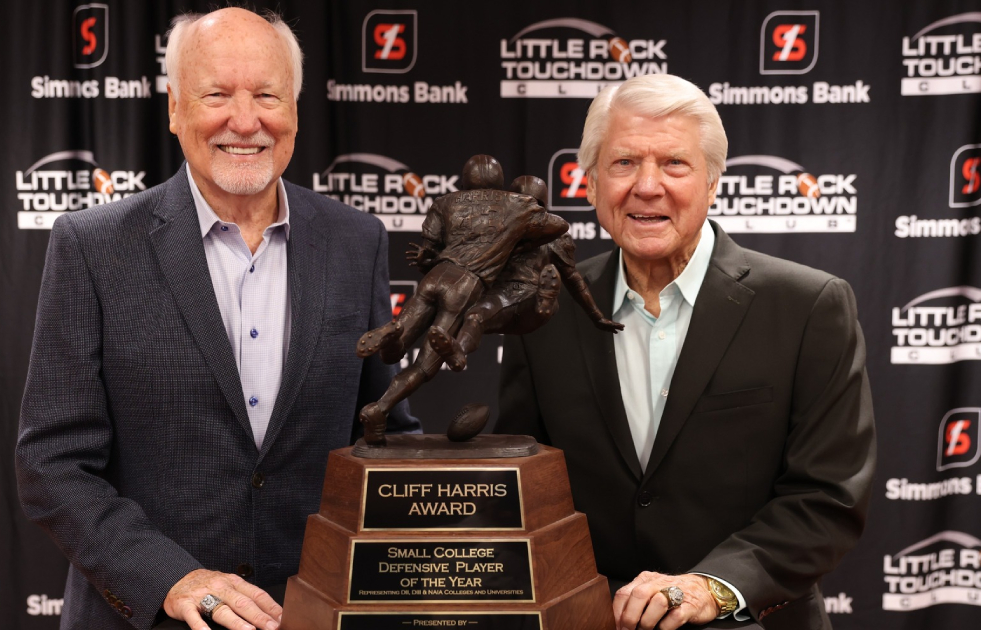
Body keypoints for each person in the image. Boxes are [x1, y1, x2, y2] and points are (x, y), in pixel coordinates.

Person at [15, 9, 418, 630]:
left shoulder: (356, 241)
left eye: (266, 95)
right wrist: (171, 578)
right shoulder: (92, 246)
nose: (246, 120)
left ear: (296, 110)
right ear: (175, 108)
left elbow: (384, 433)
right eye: (217, 95)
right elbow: (52, 465)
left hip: (311, 613)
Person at [495, 74, 875, 630]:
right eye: (624, 163)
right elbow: (527, 487)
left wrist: (712, 587)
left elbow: (829, 497)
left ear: (713, 181)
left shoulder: (808, 305)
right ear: (591, 182)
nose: (647, 186)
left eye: (675, 163)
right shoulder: (543, 309)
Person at [355, 156, 565, 445]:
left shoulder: (444, 202)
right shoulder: (516, 204)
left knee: (397, 345)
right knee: (424, 367)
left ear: (463, 180)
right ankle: (379, 408)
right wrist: (517, 242)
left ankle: (393, 335)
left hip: (436, 275)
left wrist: (427, 257)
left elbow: (428, 252)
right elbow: (559, 225)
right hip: (466, 285)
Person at [428, 175, 623, 372]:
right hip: (502, 297)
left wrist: (596, 315)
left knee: (539, 294)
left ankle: (544, 299)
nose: (528, 210)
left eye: (534, 205)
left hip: (531, 296)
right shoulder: (497, 232)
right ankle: (458, 352)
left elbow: (573, 280)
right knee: (475, 316)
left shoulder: (556, 238)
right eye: (522, 203)